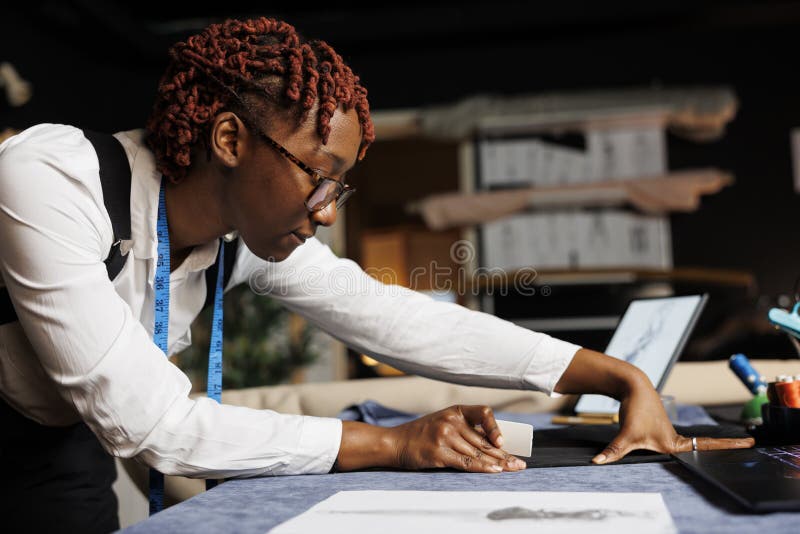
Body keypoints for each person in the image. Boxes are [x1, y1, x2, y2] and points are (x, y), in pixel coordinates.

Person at [0, 16, 753, 533]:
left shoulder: (243, 236)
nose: (327, 212)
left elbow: (393, 317)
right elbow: (154, 425)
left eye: (339, 188)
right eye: (318, 177)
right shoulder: (51, 181)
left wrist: (614, 375)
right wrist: (394, 443)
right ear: (229, 139)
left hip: (57, 446)